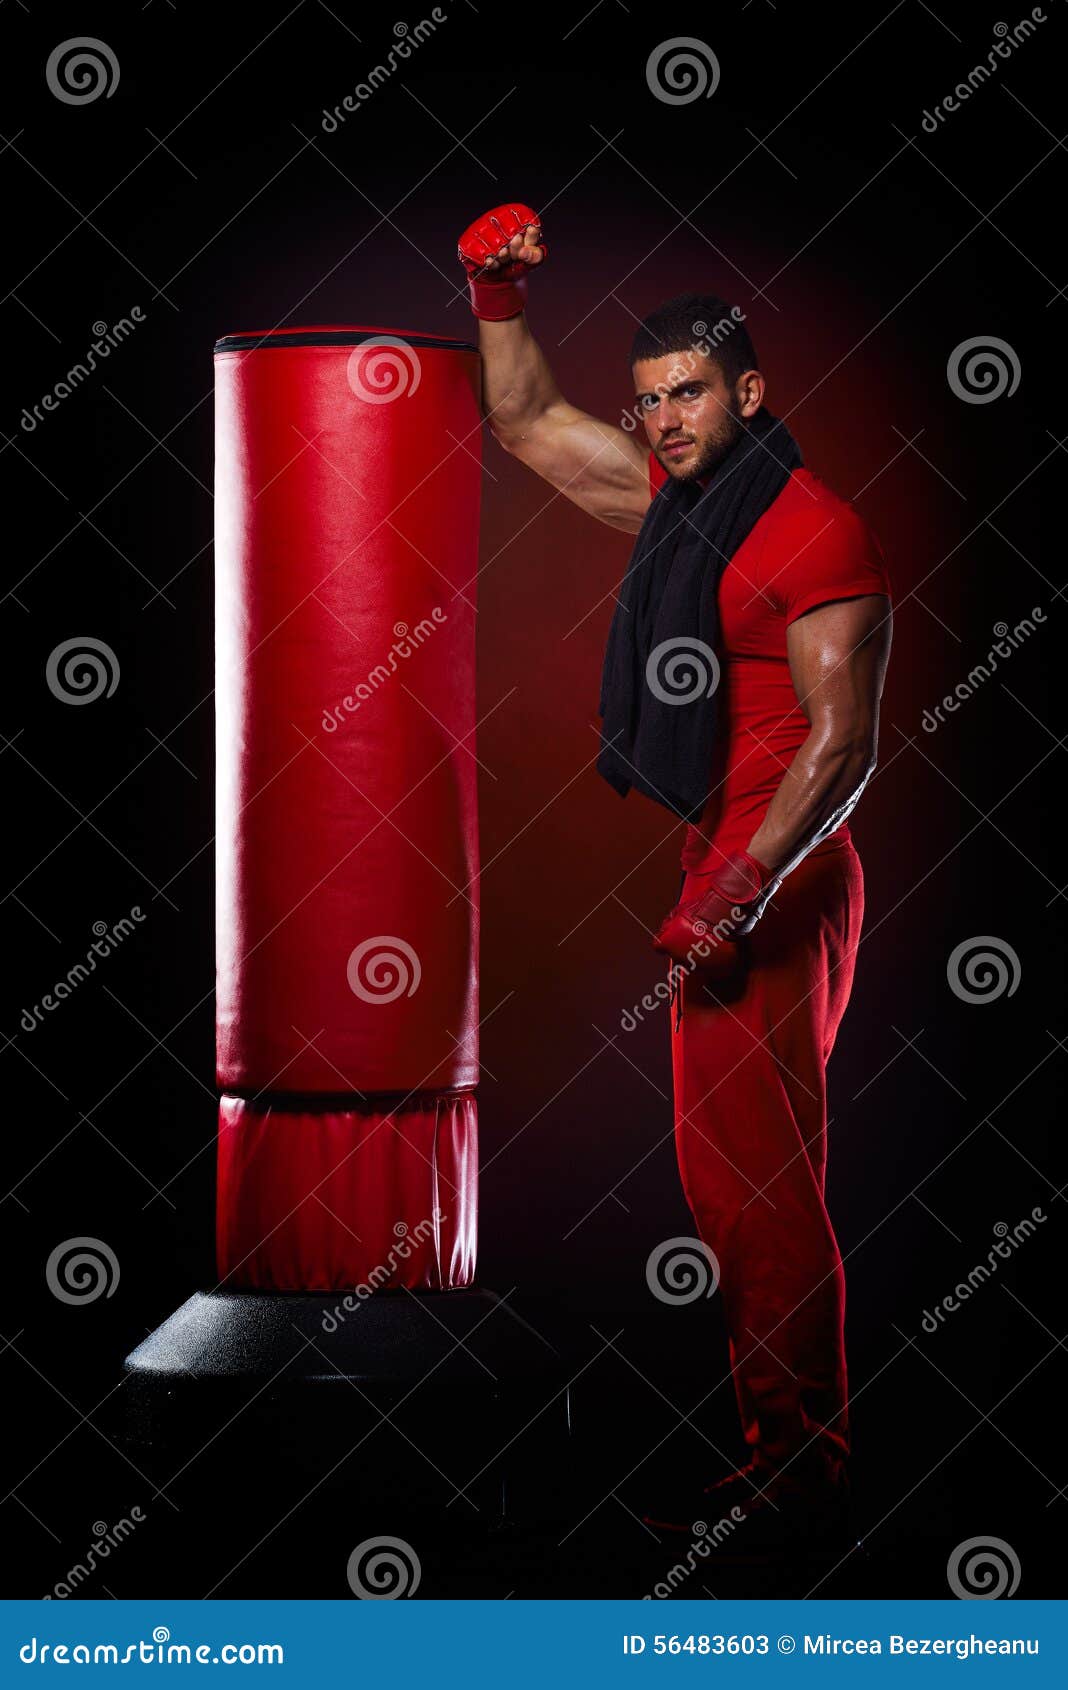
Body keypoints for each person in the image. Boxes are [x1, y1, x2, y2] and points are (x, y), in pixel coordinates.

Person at [457, 203, 893, 1546]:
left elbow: (848, 742)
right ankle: (793, 1461)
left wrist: (740, 884)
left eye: (689, 391)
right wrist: (496, 297)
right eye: (649, 401)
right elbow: (530, 425)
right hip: (731, 861)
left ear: (747, 390)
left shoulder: (816, 531)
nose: (662, 419)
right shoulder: (676, 501)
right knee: (741, 1180)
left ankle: (798, 1478)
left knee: (754, 1184)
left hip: (783, 867)